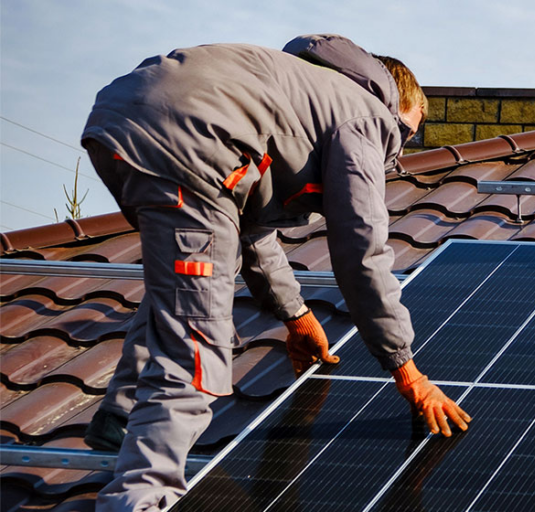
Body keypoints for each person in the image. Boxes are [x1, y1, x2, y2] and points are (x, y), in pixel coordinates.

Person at [79, 34, 470, 511]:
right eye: (405, 135)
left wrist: (297, 316)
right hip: (191, 140)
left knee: (185, 286)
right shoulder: (365, 115)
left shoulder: (292, 94)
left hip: (120, 123)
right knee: (199, 337)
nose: (398, 154)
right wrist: (406, 370)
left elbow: (249, 230)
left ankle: (119, 418)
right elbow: (362, 249)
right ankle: (141, 497)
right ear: (394, 100)